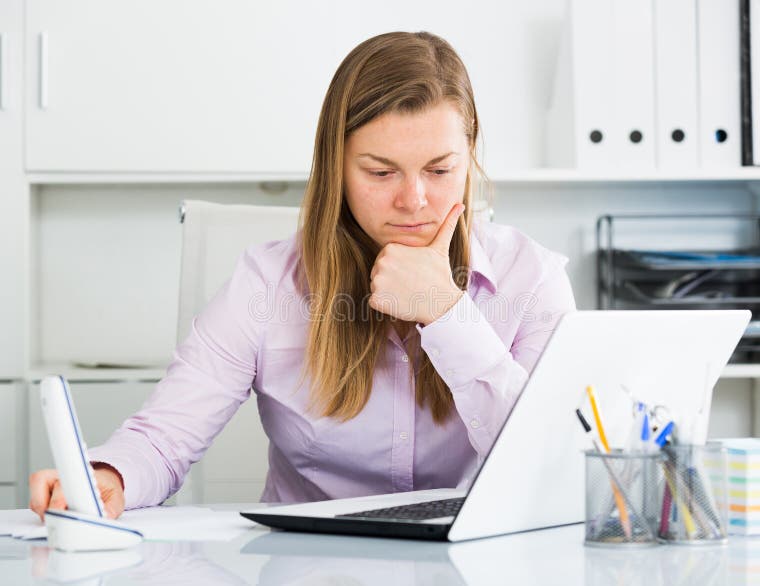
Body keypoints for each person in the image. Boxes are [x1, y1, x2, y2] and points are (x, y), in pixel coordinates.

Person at [29, 31, 576, 520]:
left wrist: (447, 314)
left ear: (471, 156)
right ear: (334, 165)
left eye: (440, 169)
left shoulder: (533, 280)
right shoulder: (266, 283)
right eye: (380, 171)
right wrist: (109, 479)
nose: (414, 200)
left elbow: (551, 467)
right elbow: (165, 437)